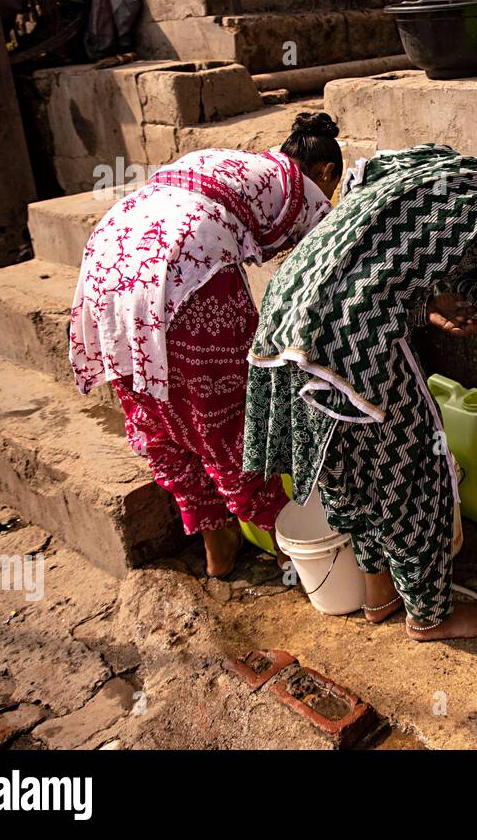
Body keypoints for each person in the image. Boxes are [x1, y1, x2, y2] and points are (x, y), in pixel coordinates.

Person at [243, 115, 477, 640]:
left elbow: (364, 189)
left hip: (289, 305)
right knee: (415, 471)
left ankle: (378, 593)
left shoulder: (443, 163)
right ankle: (431, 615)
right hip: (349, 332)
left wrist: (422, 303)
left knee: (349, 464)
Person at [69, 112, 343, 577]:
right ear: (327, 173)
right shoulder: (306, 190)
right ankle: (295, 550)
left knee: (159, 416)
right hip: (184, 279)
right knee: (227, 418)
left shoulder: (233, 163)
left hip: (108, 269)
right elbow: (328, 273)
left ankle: (218, 543)